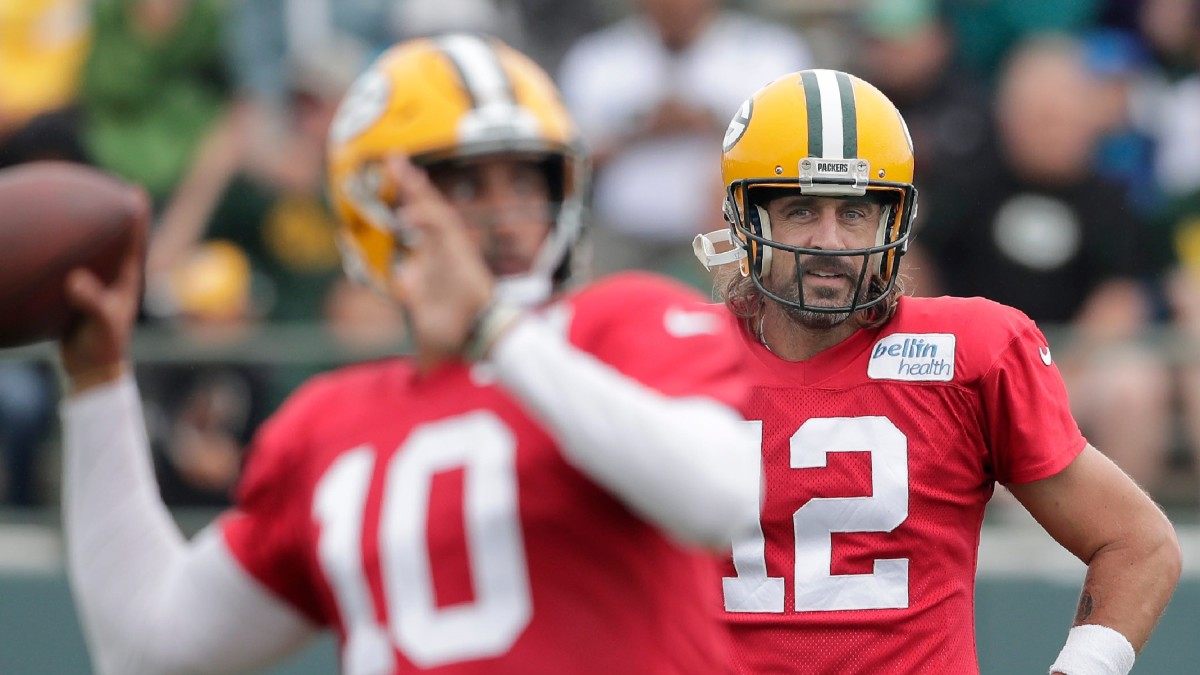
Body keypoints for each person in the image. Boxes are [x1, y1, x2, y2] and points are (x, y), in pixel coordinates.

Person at [57, 34, 758, 674]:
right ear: (376, 207)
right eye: (464, 185)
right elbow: (149, 646)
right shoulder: (325, 425)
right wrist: (97, 381)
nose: (507, 218)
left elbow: (720, 496)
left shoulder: (620, 321)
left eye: (524, 180)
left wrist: (495, 329)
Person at [693, 68, 1181, 674]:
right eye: (800, 210)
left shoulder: (969, 352)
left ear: (893, 221)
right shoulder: (675, 359)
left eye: (854, 212)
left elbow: (1139, 544)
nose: (830, 240)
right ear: (747, 220)